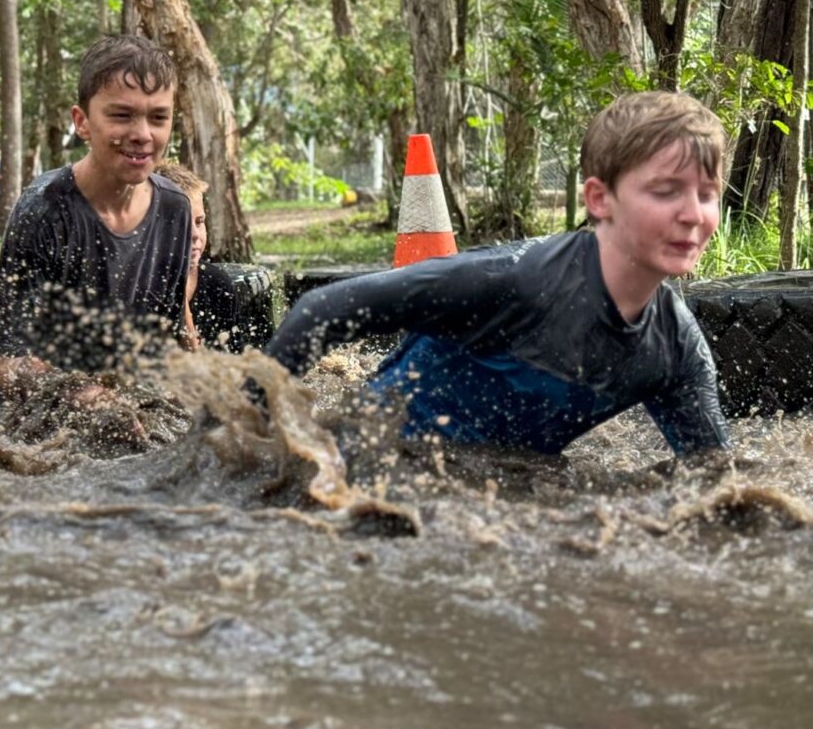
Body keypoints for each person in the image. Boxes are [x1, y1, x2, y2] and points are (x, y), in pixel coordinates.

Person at [266, 90, 731, 460]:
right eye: (666, 191)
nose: (693, 214)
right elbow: (321, 309)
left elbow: (716, 479)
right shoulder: (519, 280)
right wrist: (233, 444)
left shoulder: (675, 349)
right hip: (366, 461)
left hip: (490, 495)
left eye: (707, 194)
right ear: (599, 199)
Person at [0, 35, 192, 389]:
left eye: (159, 117)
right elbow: (5, 364)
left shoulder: (176, 209)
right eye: (122, 116)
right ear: (82, 122)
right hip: (45, 411)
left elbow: (164, 345)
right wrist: (81, 394)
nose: (143, 134)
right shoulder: (44, 208)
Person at [154, 161, 208, 350]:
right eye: (181, 223)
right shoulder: (129, 290)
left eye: (199, 222)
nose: (194, 234)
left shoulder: (218, 287)